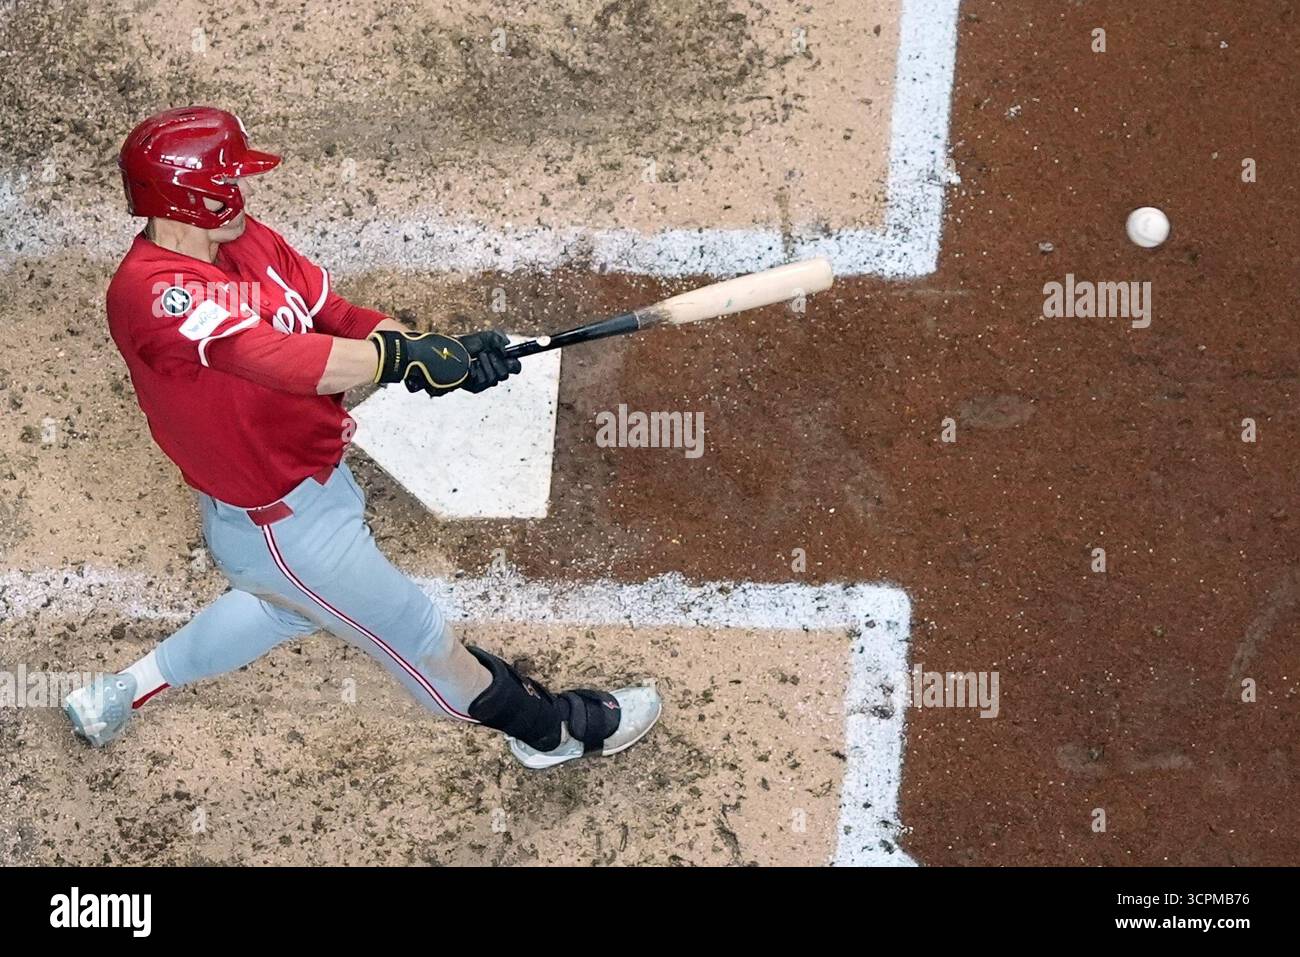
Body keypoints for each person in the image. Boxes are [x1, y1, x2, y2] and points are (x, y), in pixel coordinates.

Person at [63, 106, 660, 770]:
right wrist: (400, 362)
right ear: (178, 195)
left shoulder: (243, 238)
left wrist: (436, 353)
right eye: (224, 182)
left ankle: (127, 688)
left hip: (310, 489)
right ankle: (551, 733)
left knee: (287, 611)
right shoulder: (153, 294)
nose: (241, 193)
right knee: (428, 644)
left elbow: (335, 316)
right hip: (284, 533)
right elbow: (280, 359)